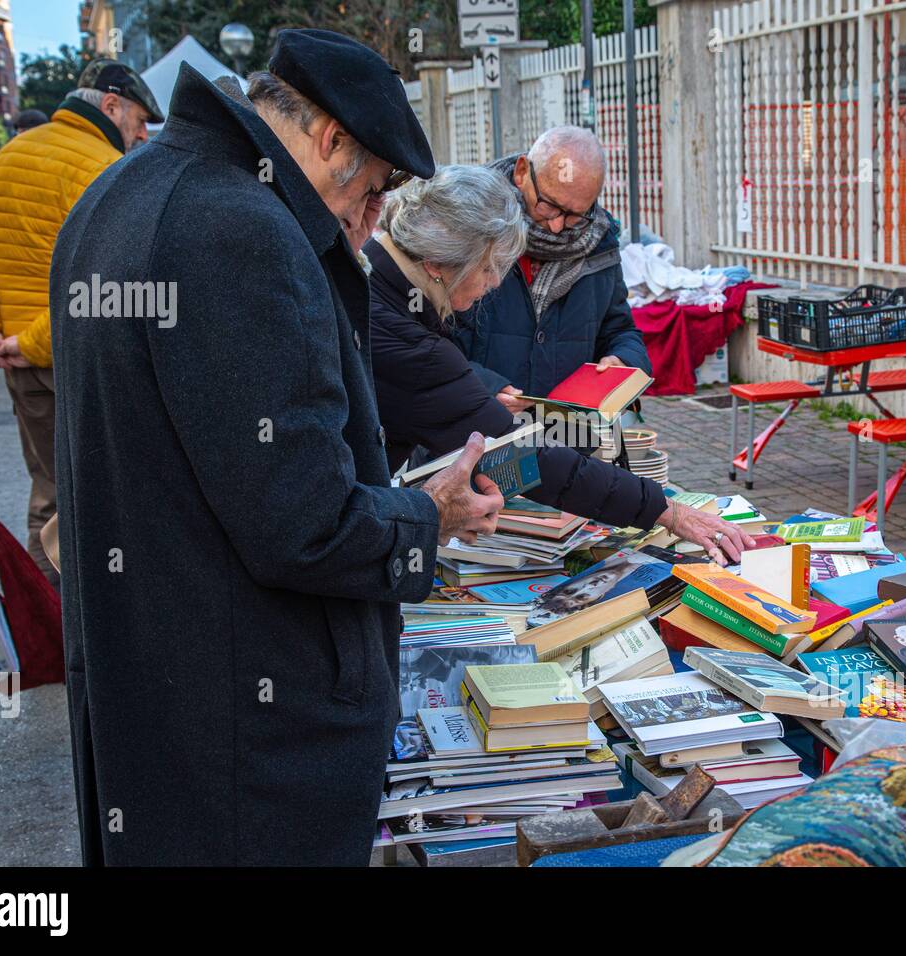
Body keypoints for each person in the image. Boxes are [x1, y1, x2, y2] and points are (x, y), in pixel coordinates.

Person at [49, 30, 502, 866]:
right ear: (330, 140)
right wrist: (426, 517)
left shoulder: (117, 190)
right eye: (371, 195)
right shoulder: (241, 231)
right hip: (248, 731)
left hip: (156, 689)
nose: (370, 227)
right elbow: (305, 521)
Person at [365, 165, 750, 566]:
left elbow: (621, 330)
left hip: (556, 449)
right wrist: (666, 511)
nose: (494, 282)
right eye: (487, 268)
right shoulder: (400, 325)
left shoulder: (383, 282)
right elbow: (526, 453)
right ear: (436, 263)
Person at [0, 59, 162, 584]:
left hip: (20, 359)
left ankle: (48, 625)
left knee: (48, 491)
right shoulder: (109, 169)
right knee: (106, 495)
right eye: (139, 119)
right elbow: (103, 283)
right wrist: (33, 342)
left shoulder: (5, 157)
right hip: (78, 355)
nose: (142, 133)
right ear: (110, 105)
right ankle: (93, 630)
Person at [455, 126, 652, 413]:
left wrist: (623, 359)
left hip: (567, 442)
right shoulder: (467, 226)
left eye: (575, 215)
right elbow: (426, 343)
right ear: (522, 172)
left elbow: (620, 329)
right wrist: (483, 388)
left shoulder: (599, 243)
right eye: (548, 206)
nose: (557, 226)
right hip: (477, 435)